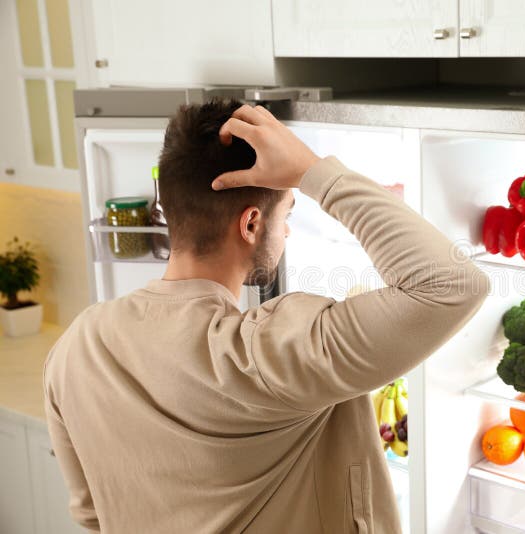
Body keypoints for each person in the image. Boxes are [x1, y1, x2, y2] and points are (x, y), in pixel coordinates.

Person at [44, 100, 490, 533]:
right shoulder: (270, 354)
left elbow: (92, 514)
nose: (289, 231)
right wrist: (315, 172)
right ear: (252, 224)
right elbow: (451, 284)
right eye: (287, 214)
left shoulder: (75, 347)